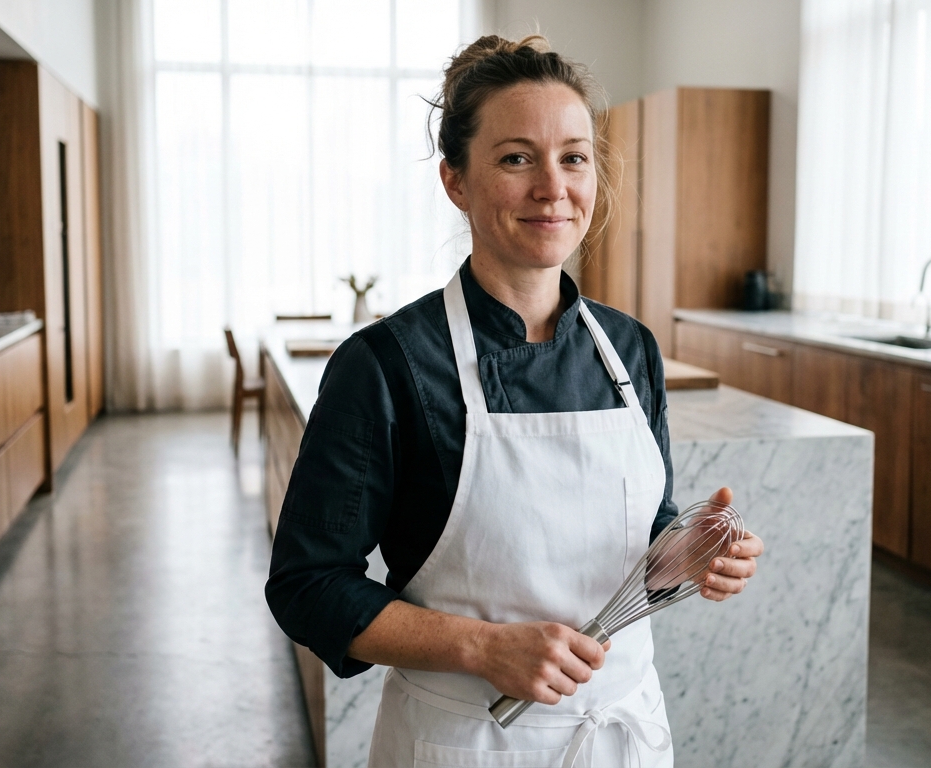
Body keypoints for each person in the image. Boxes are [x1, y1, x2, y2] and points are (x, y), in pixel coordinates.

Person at [265, 34, 765, 767]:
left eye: (573, 156)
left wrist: (686, 557)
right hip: (464, 745)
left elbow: (640, 538)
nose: (552, 187)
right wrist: (482, 646)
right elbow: (308, 586)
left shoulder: (631, 351)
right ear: (455, 181)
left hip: (624, 735)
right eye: (514, 157)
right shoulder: (385, 366)